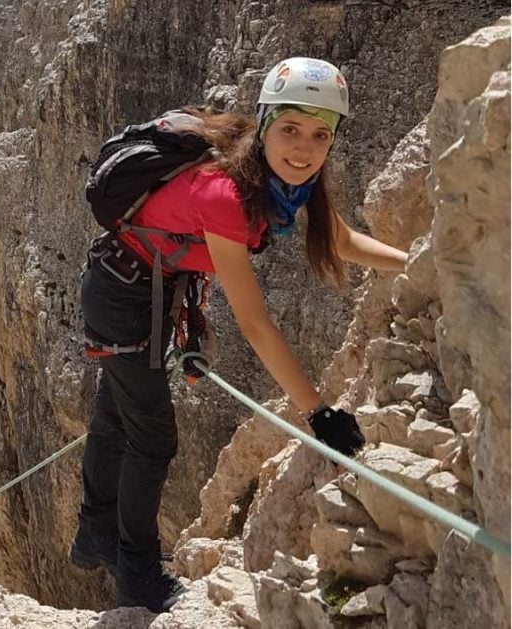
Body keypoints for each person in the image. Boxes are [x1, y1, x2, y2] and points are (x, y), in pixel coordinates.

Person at [71, 57, 408, 613]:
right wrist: (317, 411)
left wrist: (420, 259)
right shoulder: (227, 194)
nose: (304, 148)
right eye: (291, 129)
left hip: (144, 286)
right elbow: (254, 322)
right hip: (125, 296)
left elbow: (343, 242)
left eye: (321, 134)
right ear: (266, 123)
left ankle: (94, 534)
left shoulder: (290, 182)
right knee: (153, 440)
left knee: (116, 413)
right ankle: (136, 575)